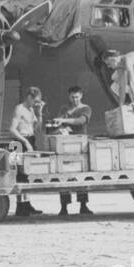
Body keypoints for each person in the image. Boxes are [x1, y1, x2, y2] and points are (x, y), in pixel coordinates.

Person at [55, 85, 93, 216]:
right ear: (69, 96)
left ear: (81, 96)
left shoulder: (86, 108)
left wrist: (64, 120)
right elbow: (59, 124)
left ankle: (83, 205)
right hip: (65, 145)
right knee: (64, 177)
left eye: (77, 97)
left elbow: (81, 121)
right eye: (72, 97)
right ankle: (64, 207)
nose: (75, 99)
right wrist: (61, 126)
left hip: (80, 146)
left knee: (81, 176)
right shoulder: (64, 109)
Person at [10, 87, 45, 217]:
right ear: (29, 97)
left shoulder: (31, 110)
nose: (36, 103)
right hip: (17, 142)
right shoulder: (19, 109)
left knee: (27, 174)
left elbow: (36, 128)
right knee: (18, 175)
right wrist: (25, 142)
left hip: (29, 139)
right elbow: (12, 129)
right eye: (35, 100)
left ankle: (27, 205)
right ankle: (20, 207)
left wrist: (39, 112)